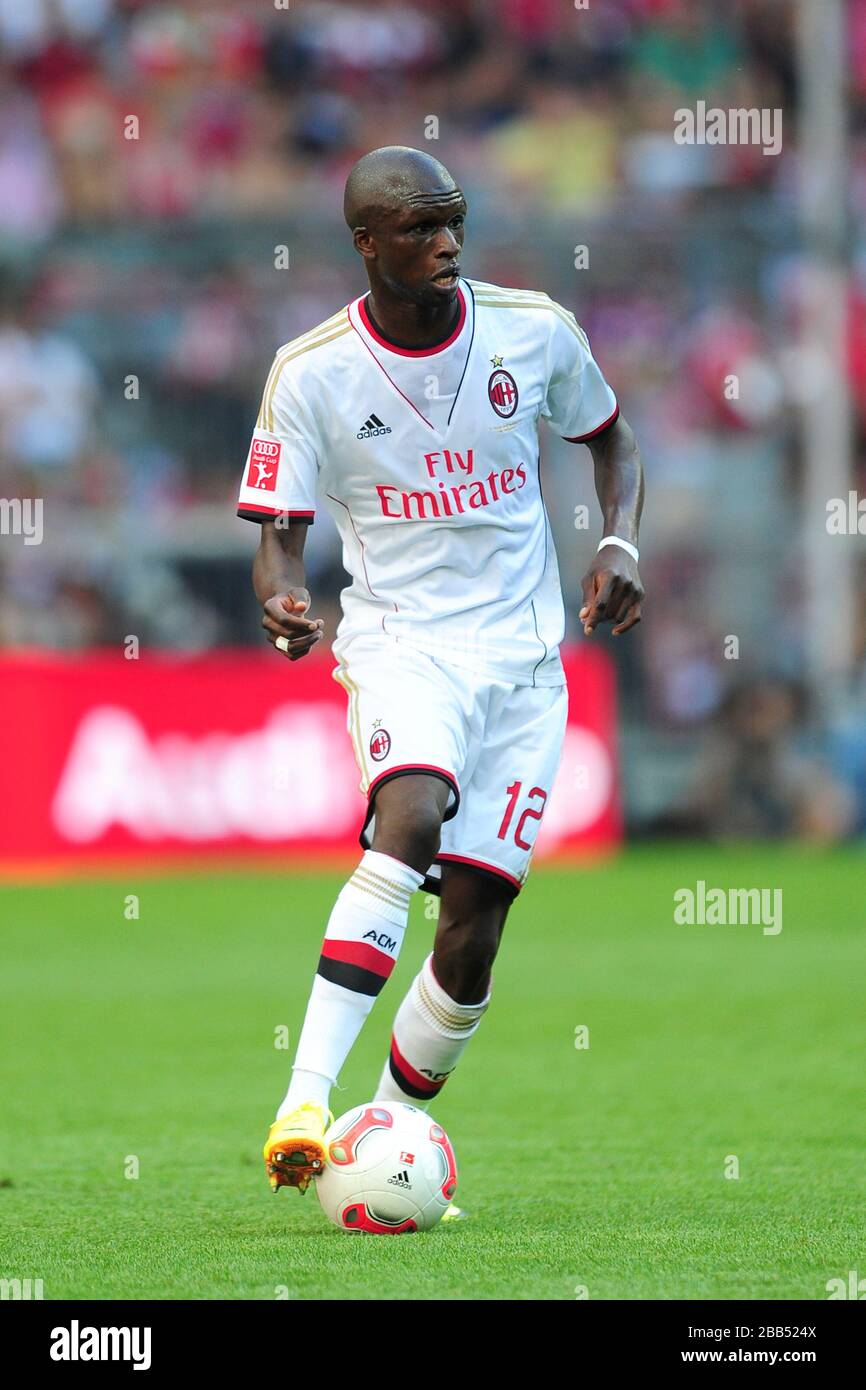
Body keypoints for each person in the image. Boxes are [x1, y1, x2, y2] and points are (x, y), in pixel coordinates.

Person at [236, 146, 645, 1206]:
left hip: (523, 663)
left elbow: (613, 442)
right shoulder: (310, 371)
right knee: (407, 816)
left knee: (470, 937)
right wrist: (282, 599)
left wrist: (619, 545)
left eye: (453, 221)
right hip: (401, 641)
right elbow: (277, 538)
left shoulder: (533, 329)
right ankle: (304, 1101)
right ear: (366, 242)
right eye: (420, 228)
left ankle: (376, 1134)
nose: (448, 244)